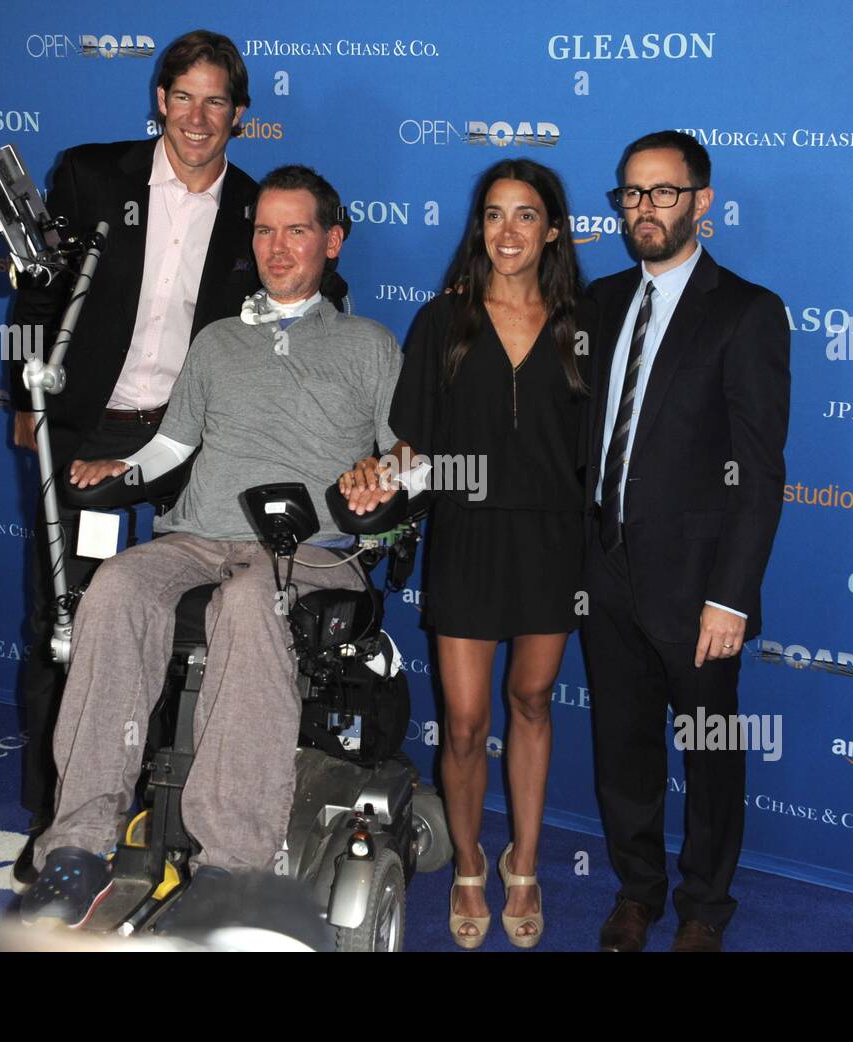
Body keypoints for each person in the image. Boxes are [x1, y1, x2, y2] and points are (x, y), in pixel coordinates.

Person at [19, 165, 405, 931]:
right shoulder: (219, 340)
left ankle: (233, 865)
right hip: (198, 535)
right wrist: (122, 469)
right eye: (264, 230)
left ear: (332, 241)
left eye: (297, 230)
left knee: (247, 599)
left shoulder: (370, 344)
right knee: (118, 588)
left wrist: (384, 475)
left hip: (310, 544)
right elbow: (172, 444)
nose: (278, 246)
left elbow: (408, 456)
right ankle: (78, 844)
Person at [5, 30, 265, 891]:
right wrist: (24, 398)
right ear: (159, 99)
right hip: (90, 429)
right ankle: (55, 821)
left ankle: (154, 809)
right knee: (69, 622)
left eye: (216, 101)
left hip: (194, 443)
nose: (198, 117)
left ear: (239, 113)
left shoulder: (253, 207)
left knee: (175, 628)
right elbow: (36, 288)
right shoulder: (90, 174)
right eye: (183, 96)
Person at [354, 159, 591, 948]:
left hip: (554, 542)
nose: (508, 231)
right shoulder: (443, 321)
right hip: (467, 538)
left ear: (553, 229)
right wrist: (375, 478)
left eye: (527, 215)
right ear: (477, 226)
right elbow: (412, 444)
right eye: (494, 214)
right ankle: (466, 862)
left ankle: (523, 862)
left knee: (531, 702)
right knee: (461, 722)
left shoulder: (582, 324)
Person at [582, 130, 790, 952]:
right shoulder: (598, 304)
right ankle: (637, 891)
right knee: (622, 746)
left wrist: (733, 595)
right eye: (631, 193)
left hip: (702, 584)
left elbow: (761, 470)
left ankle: (705, 906)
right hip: (603, 571)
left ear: (702, 201)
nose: (645, 209)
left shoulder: (746, 311)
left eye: (663, 193)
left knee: (710, 750)